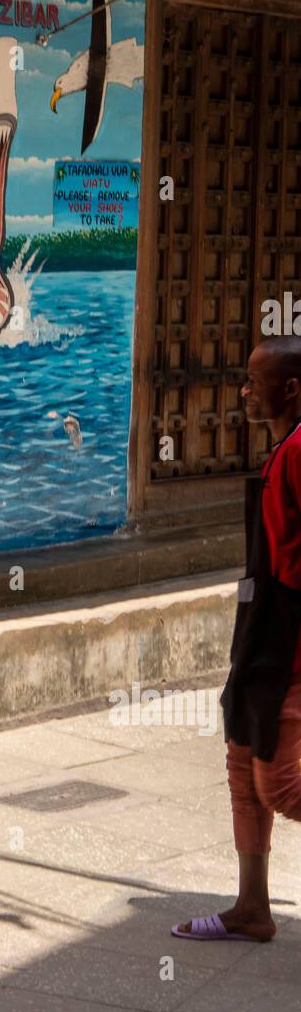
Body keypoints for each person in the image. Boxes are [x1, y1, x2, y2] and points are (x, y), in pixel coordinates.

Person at [174, 337, 301, 943]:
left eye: (255, 382)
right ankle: (252, 906)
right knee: (239, 760)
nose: (245, 392)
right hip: (259, 633)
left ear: (291, 389)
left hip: (290, 640)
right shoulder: (283, 450)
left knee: (275, 782)